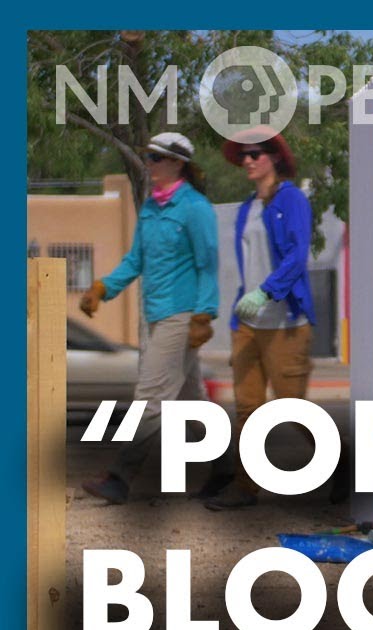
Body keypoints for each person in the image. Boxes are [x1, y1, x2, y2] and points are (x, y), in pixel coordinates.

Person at [79, 132, 229, 504]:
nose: (149, 164)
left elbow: (207, 263)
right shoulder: (150, 207)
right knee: (191, 404)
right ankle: (230, 473)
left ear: (178, 164)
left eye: (156, 159)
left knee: (150, 397)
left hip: (182, 315)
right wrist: (103, 288)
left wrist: (204, 314)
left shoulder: (194, 207)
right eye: (148, 157)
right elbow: (136, 260)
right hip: (156, 314)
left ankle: (119, 477)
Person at [199, 127, 324, 511]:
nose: (249, 161)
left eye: (257, 154)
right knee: (247, 410)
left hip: (285, 323)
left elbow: (296, 255)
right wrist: (243, 302)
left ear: (275, 158)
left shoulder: (293, 200)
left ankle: (345, 469)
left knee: (292, 410)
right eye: (245, 156)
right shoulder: (245, 208)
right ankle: (244, 486)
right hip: (249, 324)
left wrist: (266, 292)